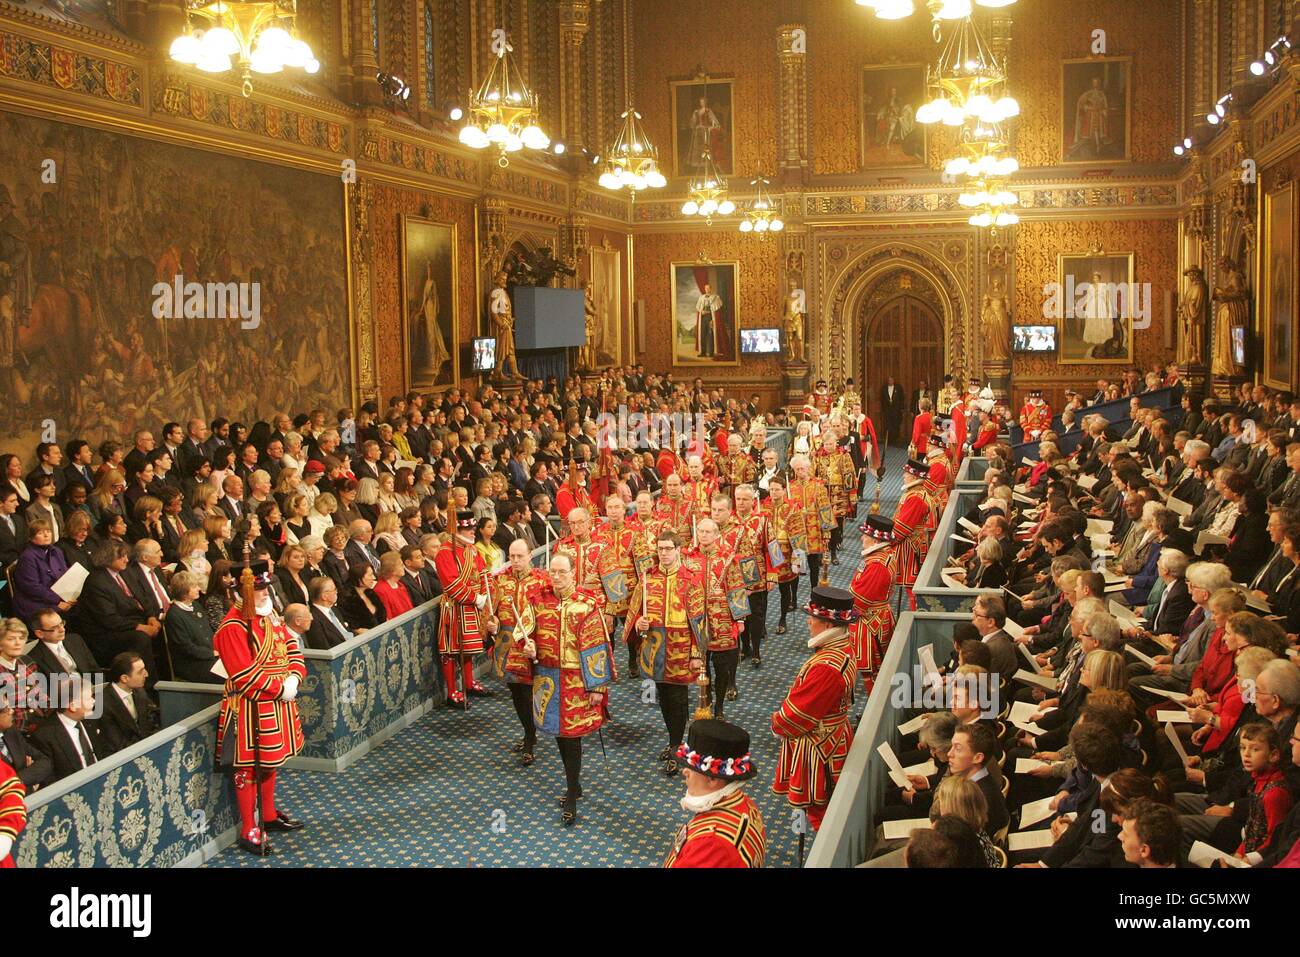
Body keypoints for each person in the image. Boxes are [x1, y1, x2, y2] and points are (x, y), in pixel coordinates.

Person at [213, 560, 306, 855]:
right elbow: (243, 674)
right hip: (250, 706)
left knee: (270, 761)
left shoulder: (271, 615)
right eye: (260, 588)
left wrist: (294, 675)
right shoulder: (232, 627)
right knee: (248, 767)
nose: (266, 593)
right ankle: (249, 828)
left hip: (278, 701)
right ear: (244, 591)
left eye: (267, 587)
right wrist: (281, 689)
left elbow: (291, 647)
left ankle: (267, 814)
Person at [514, 553, 613, 826]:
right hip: (548, 676)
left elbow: (597, 646)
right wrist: (527, 644)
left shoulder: (586, 605)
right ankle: (574, 782)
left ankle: (571, 789)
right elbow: (522, 631)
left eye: (562, 572)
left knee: (572, 736)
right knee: (559, 732)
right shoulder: (537, 602)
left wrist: (597, 687)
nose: (556, 578)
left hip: (578, 679)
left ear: (573, 573)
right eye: (552, 572)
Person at [772, 585, 858, 832]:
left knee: (820, 816)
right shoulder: (841, 647)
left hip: (821, 746)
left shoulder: (826, 666)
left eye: (813, 618)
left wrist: (777, 720)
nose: (809, 622)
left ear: (829, 625)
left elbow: (796, 715)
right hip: (833, 733)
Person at [627, 531, 706, 776]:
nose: (664, 553)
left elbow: (699, 620)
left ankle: (676, 744)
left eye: (668, 548)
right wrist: (639, 622)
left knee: (678, 698)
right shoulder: (647, 579)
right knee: (663, 694)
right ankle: (674, 740)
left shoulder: (690, 579)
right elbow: (634, 611)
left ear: (678, 549)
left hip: (681, 649)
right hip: (655, 647)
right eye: (660, 548)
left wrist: (696, 653)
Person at [663, 718, 766, 867]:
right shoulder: (746, 804)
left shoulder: (711, 843)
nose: (685, 772)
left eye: (692, 767)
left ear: (712, 779)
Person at [434, 509, 492, 707]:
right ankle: (452, 692)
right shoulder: (444, 553)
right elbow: (451, 584)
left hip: (474, 605)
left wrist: (486, 594)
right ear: (456, 530)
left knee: (468, 650)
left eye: (473, 529)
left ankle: (468, 683)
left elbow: (484, 572)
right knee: (451, 650)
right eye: (468, 530)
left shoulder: (472, 550)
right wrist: (475, 598)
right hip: (455, 607)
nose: (473, 532)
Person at [849, 514, 898, 695]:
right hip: (878, 616)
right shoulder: (883, 556)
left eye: (865, 535)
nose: (862, 538)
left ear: (875, 539)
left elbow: (860, 601)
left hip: (871, 622)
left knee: (872, 672)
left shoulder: (877, 564)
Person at [98, 651, 159, 756]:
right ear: (124, 678)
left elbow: (152, 723)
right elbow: (117, 744)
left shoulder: (140, 692)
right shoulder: (102, 704)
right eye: (140, 672)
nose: (147, 674)